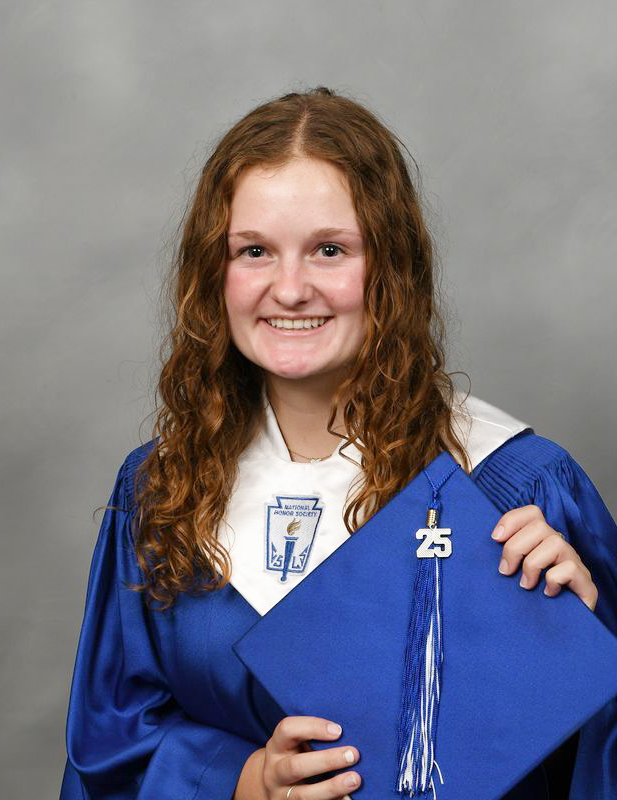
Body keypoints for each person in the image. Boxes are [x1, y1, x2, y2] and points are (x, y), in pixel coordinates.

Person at [59, 87, 616, 800]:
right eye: (254, 251)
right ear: (214, 274)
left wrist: (582, 641)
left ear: (390, 267)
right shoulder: (162, 490)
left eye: (329, 250)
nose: (290, 289)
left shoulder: (513, 486)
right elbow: (109, 745)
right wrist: (243, 779)